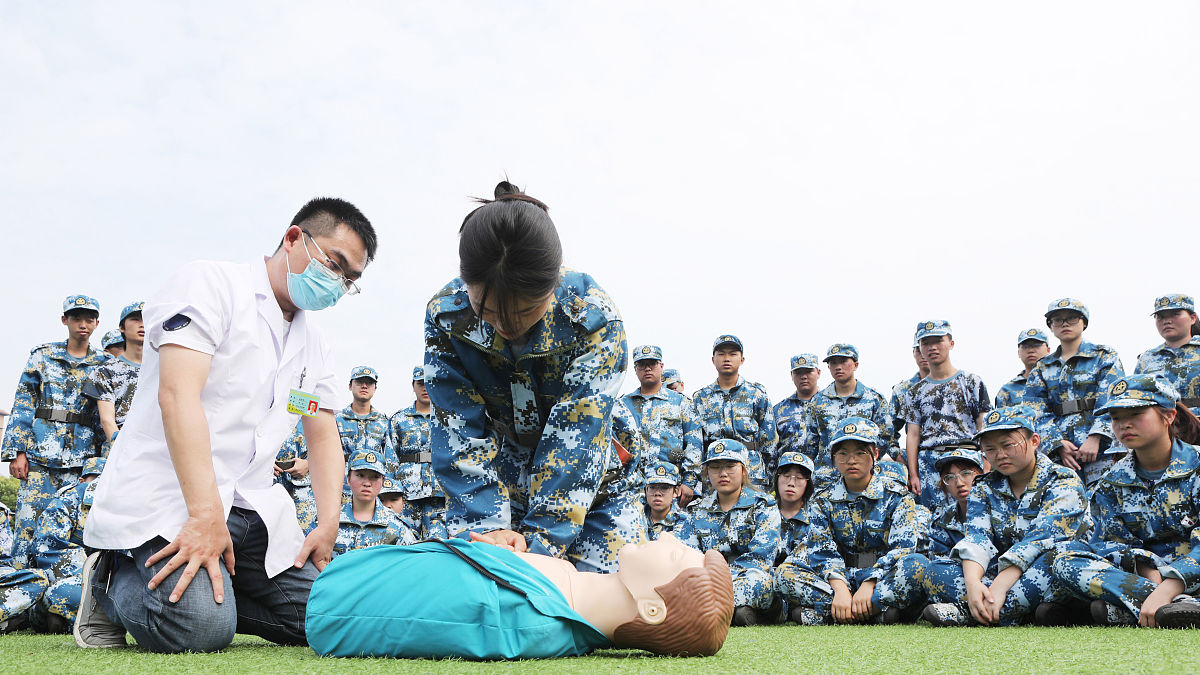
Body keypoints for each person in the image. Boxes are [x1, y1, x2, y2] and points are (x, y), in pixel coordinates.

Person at [78, 196, 377, 653]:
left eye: (350, 279)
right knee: (199, 630)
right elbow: (177, 397)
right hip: (173, 497)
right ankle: (110, 581)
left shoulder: (313, 342)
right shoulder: (210, 285)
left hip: (252, 504)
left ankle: (211, 600)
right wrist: (204, 515)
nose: (337, 284)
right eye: (334, 265)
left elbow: (321, 433)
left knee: (325, 619)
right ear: (294, 238)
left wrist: (329, 520)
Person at [424, 181, 637, 573]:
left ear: (553, 284)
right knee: (478, 582)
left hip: (589, 483)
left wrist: (539, 546)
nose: (506, 326)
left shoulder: (592, 319)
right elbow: (457, 431)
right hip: (496, 478)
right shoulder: (448, 317)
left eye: (524, 312)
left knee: (607, 600)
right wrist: (487, 534)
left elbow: (577, 441)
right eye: (488, 312)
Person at [305, 534, 735, 659]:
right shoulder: (562, 588)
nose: (670, 536)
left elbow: (410, 609)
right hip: (341, 569)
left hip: (325, 591)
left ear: (652, 607)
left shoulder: (522, 621)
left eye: (679, 554)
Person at [1052, 374, 1200, 628]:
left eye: (1135, 414)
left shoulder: (1196, 465)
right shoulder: (1112, 481)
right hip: (1148, 577)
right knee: (1065, 562)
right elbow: (1112, 544)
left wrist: (1169, 587)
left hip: (1192, 571)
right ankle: (1179, 607)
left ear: (1169, 416)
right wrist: (1153, 580)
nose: (1124, 425)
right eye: (1116, 418)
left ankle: (1139, 609)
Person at [921, 405, 1087, 627]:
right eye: (990, 449)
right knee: (935, 571)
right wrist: (972, 584)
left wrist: (999, 587)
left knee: (1060, 557)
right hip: (1005, 576)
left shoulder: (1063, 481)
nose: (999, 455)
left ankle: (977, 613)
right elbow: (977, 537)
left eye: (1007, 445)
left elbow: (1041, 539)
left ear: (1034, 441)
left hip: (1048, 569)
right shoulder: (984, 487)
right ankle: (1016, 611)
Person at [775, 417, 928, 626]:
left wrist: (870, 582)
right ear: (834, 458)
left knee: (918, 565)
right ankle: (874, 613)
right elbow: (822, 551)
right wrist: (839, 588)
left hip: (879, 579)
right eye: (843, 453)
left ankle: (837, 614)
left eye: (860, 452)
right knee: (785, 573)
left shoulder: (897, 496)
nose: (851, 460)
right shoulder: (823, 500)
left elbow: (903, 549)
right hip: (839, 579)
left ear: (875, 454)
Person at [3, 294, 110, 569]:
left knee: (72, 534)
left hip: (80, 466)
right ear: (65, 320)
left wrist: (97, 466)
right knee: (27, 529)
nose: (83, 324)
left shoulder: (105, 365)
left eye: (89, 319)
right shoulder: (42, 356)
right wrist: (17, 452)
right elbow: (24, 404)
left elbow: (106, 420)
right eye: (76, 318)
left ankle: (62, 599)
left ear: (97, 323)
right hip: (39, 460)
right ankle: (20, 594)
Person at [1023, 297, 1125, 487]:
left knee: (1106, 501)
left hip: (1103, 449)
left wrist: (1096, 437)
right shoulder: (1042, 367)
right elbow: (1034, 409)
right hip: (1062, 454)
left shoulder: (1104, 356)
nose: (1065, 324)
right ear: (1051, 327)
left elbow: (1113, 398)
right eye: (1058, 320)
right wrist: (1057, 443)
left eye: (1072, 318)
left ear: (1084, 323)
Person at [689, 439, 780, 626]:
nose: (723, 473)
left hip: (749, 575)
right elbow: (688, 554)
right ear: (707, 473)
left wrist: (722, 579)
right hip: (708, 581)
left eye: (730, 466)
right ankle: (736, 613)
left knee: (754, 583)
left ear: (744, 470)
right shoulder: (696, 511)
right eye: (715, 467)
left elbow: (761, 557)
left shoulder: (763, 506)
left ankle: (721, 612)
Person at [902, 320, 992, 510]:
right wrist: (914, 474)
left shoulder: (971, 382)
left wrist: (987, 466)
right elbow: (913, 434)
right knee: (934, 521)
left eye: (938, 340)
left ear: (951, 343)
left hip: (967, 460)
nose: (932, 347)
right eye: (926, 343)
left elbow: (983, 426)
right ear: (919, 347)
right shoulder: (914, 392)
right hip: (930, 464)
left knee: (974, 513)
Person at [25, 457, 105, 633]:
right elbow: (49, 548)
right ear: (81, 481)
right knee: (64, 593)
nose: (99, 483)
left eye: (105, 477)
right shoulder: (68, 500)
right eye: (95, 478)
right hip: (76, 580)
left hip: (112, 583)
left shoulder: (122, 503)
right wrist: (92, 578)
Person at [692, 335, 778, 487]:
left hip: (752, 472)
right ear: (713, 360)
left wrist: (769, 475)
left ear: (742, 359)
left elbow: (769, 440)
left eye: (732, 354)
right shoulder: (701, 397)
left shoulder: (756, 394)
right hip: (715, 473)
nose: (727, 359)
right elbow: (696, 443)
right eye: (721, 354)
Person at [805, 344, 897, 485]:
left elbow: (885, 436)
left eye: (843, 361)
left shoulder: (873, 399)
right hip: (826, 478)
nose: (838, 367)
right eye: (833, 363)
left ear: (855, 365)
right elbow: (811, 443)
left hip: (863, 478)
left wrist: (866, 461)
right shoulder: (817, 402)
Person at [623, 345, 703, 502]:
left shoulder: (681, 403)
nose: (647, 368)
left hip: (672, 488)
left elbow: (694, 445)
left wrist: (689, 482)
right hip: (634, 488)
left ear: (661, 366)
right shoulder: (623, 405)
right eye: (642, 364)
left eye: (652, 364)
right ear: (635, 368)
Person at [390, 366, 446, 540]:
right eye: (420, 383)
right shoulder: (399, 419)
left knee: (438, 543)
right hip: (407, 492)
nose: (425, 388)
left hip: (439, 492)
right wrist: (393, 492)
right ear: (413, 385)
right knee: (405, 541)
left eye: (429, 383)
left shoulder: (446, 418)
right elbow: (391, 456)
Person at [83, 301, 145, 453]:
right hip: (122, 446)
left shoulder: (165, 367)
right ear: (122, 328)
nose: (142, 325)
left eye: (147, 319)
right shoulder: (106, 371)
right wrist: (120, 449)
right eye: (135, 319)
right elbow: (107, 419)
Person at [333, 452, 416, 558]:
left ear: (383, 482)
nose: (367, 483)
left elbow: (409, 565)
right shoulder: (330, 522)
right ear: (348, 479)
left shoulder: (397, 527)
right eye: (360, 475)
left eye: (375, 477)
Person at [1135, 294, 1200, 416]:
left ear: (1193, 318)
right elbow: (1138, 400)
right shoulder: (1147, 359)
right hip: (1163, 428)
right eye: (1160, 316)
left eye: (1175, 314)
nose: (1167, 321)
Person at [336, 366, 398, 486]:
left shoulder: (384, 422)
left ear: (375, 388)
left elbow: (390, 459)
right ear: (350, 386)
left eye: (369, 383)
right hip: (342, 484)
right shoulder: (337, 420)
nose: (364, 386)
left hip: (372, 485)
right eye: (359, 382)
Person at [924, 448, 986, 560]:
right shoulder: (943, 520)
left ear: (981, 475)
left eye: (966, 473)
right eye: (950, 477)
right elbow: (939, 562)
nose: (959, 483)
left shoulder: (999, 510)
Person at [773, 354, 820, 456]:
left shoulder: (829, 405)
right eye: (798, 373)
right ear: (791, 375)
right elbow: (771, 447)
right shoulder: (778, 410)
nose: (803, 377)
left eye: (808, 371)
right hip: (789, 470)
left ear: (818, 373)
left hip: (822, 470)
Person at [643, 461, 697, 548]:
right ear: (646, 490)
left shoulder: (685, 521)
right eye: (652, 487)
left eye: (664, 488)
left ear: (675, 492)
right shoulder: (636, 517)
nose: (657, 493)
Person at [994, 329, 1051, 408]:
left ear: (1048, 350)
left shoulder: (1060, 380)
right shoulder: (1008, 390)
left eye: (1036, 345)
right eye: (1025, 346)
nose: (1031, 350)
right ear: (1018, 353)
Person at [890, 337, 930, 440]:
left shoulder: (959, 384)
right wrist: (897, 455)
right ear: (913, 352)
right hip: (918, 452)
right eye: (919, 350)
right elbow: (888, 430)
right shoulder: (903, 390)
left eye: (927, 349)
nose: (923, 355)